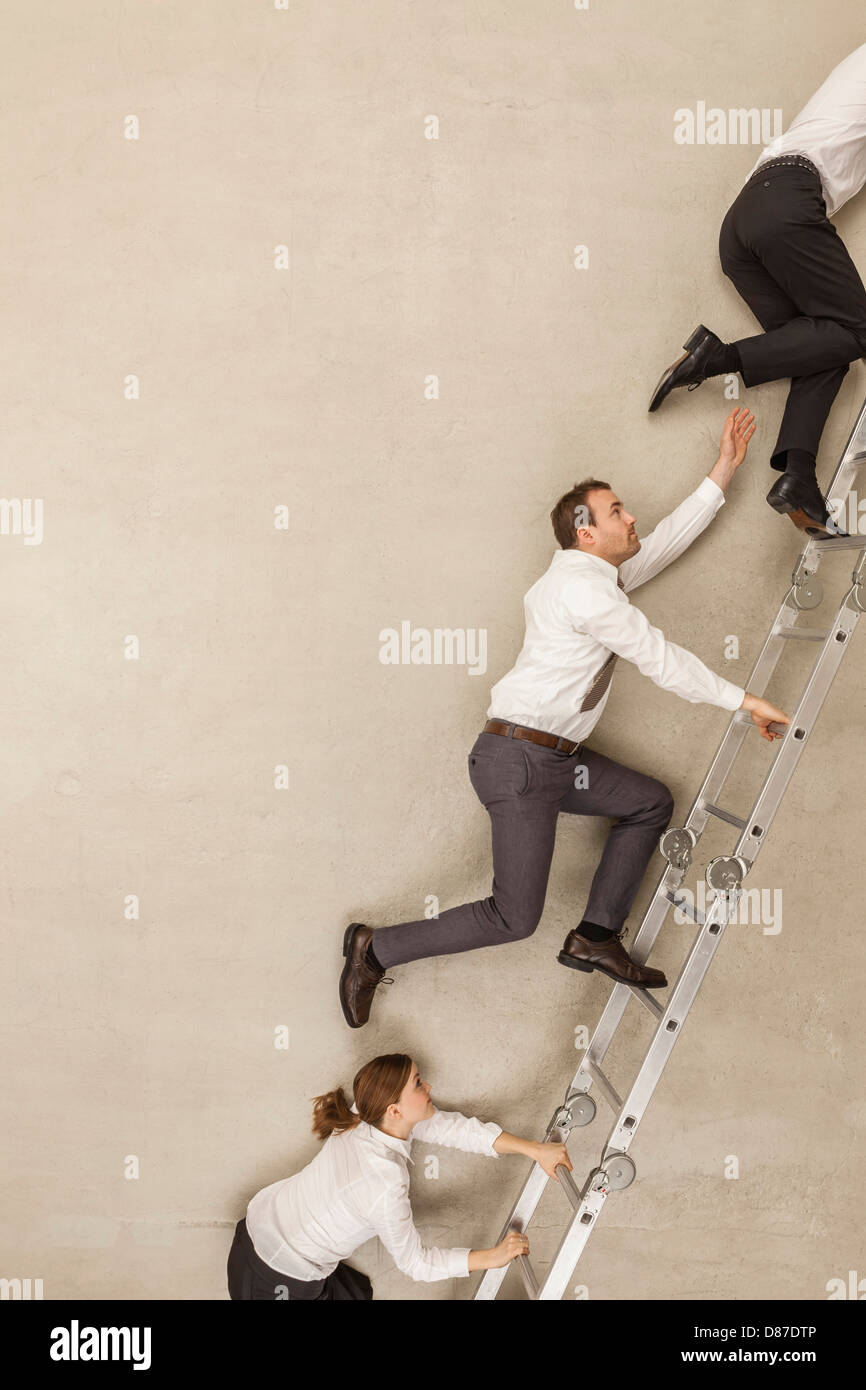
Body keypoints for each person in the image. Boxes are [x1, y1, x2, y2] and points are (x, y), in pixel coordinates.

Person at [339, 408, 790, 1028]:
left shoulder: (591, 580)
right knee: (514, 917)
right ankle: (375, 948)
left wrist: (723, 471)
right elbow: (658, 657)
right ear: (585, 532)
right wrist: (745, 701)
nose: (631, 518)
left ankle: (596, 935)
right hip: (522, 764)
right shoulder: (583, 592)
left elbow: (658, 548)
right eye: (617, 513)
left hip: (552, 762)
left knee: (649, 802)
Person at [648, 42, 866, 536]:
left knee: (821, 346)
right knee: (857, 329)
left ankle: (798, 479)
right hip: (786, 200)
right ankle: (715, 357)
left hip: (743, 223)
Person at [226, 1053, 569, 1299]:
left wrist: (535, 1150)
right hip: (276, 1279)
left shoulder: (366, 1113)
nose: (429, 1085)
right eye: (418, 1083)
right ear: (395, 1110)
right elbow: (416, 1263)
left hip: (258, 1228)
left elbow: (455, 1130)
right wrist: (490, 1258)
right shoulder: (383, 1183)